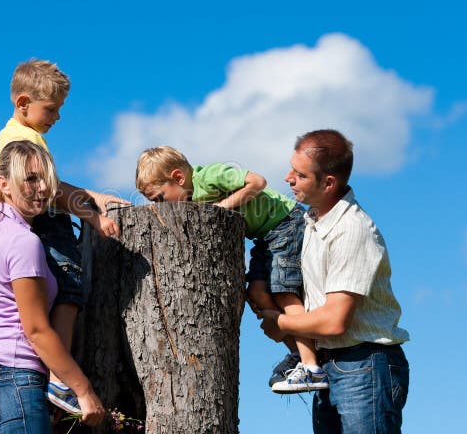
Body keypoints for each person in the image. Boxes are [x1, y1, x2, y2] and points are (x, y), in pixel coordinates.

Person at [258, 129, 410, 434]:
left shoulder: (352, 229)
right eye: (291, 169)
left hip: (365, 364)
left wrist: (281, 323)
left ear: (328, 183)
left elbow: (335, 321)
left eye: (300, 174)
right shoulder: (311, 223)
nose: (288, 178)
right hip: (333, 365)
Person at [0, 59, 130, 412]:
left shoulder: (20, 136)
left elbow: (54, 185)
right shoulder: (22, 140)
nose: (57, 116)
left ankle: (56, 374)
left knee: (61, 298)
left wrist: (93, 195)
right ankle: (59, 379)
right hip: (49, 226)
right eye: (51, 108)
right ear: (23, 103)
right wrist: (91, 213)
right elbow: (50, 190)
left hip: (46, 225)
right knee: (69, 294)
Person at [135, 146, 327, 393]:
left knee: (283, 292)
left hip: (286, 224)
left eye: (160, 198)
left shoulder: (211, 176)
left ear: (179, 178)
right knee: (257, 294)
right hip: (265, 237)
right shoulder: (189, 199)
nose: (159, 207)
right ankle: (300, 354)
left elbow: (258, 182)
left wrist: (222, 207)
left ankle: (313, 368)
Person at [0, 140, 105, 434]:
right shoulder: (23, 242)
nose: (42, 189)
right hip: (13, 383)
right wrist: (82, 390)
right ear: (4, 184)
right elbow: (37, 331)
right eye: (30, 179)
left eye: (46, 179)